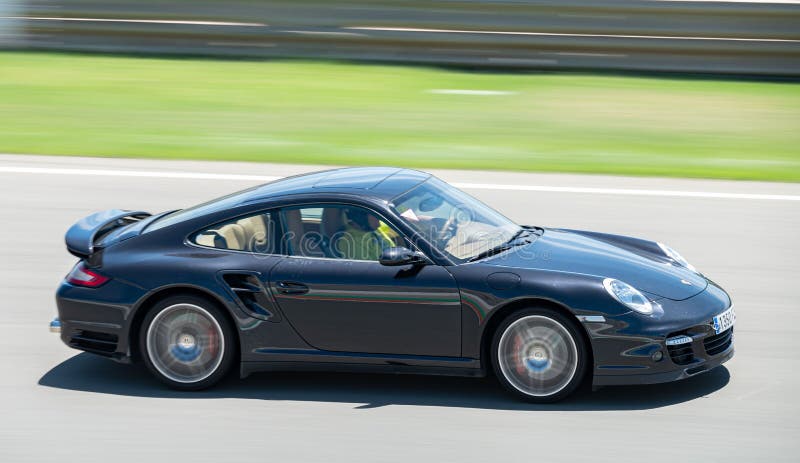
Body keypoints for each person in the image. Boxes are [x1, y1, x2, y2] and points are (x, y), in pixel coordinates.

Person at [334, 207, 399, 260]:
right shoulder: (351, 242)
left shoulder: (373, 229)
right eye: (374, 216)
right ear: (360, 217)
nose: (379, 223)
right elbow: (368, 272)